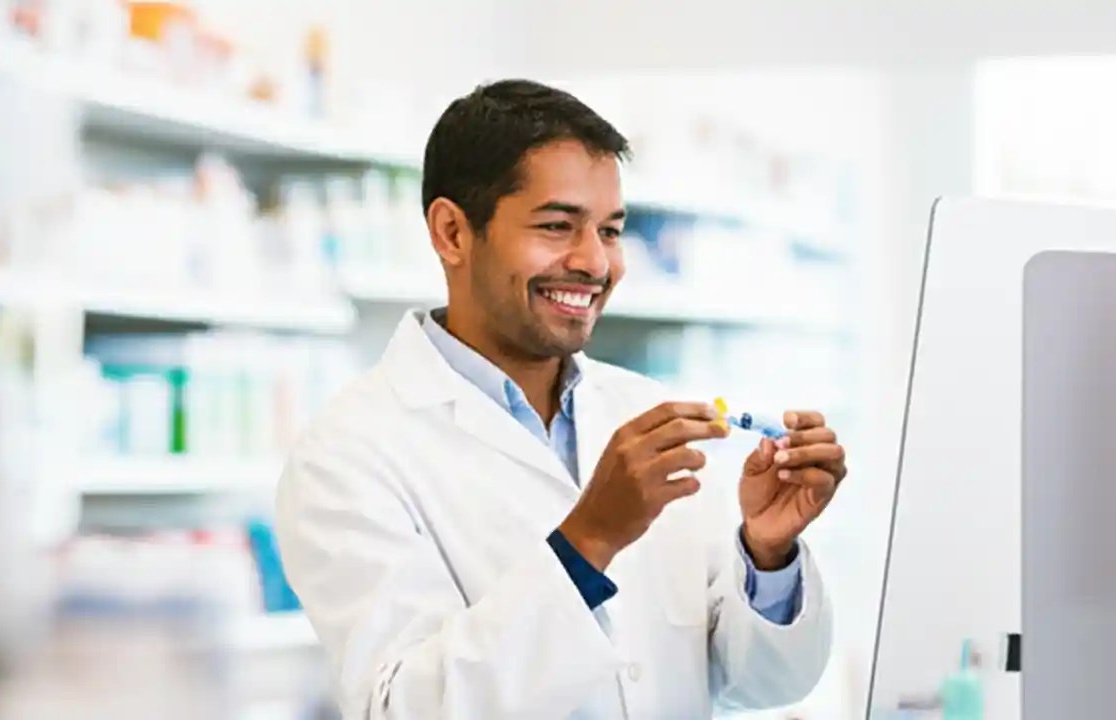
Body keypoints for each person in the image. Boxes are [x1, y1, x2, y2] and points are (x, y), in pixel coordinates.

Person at [275, 79, 848, 719]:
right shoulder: (347, 455)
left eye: (610, 231)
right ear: (452, 232)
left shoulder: (643, 411)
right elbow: (401, 708)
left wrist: (767, 555)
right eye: (557, 226)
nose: (595, 263)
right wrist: (588, 541)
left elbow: (759, 686)